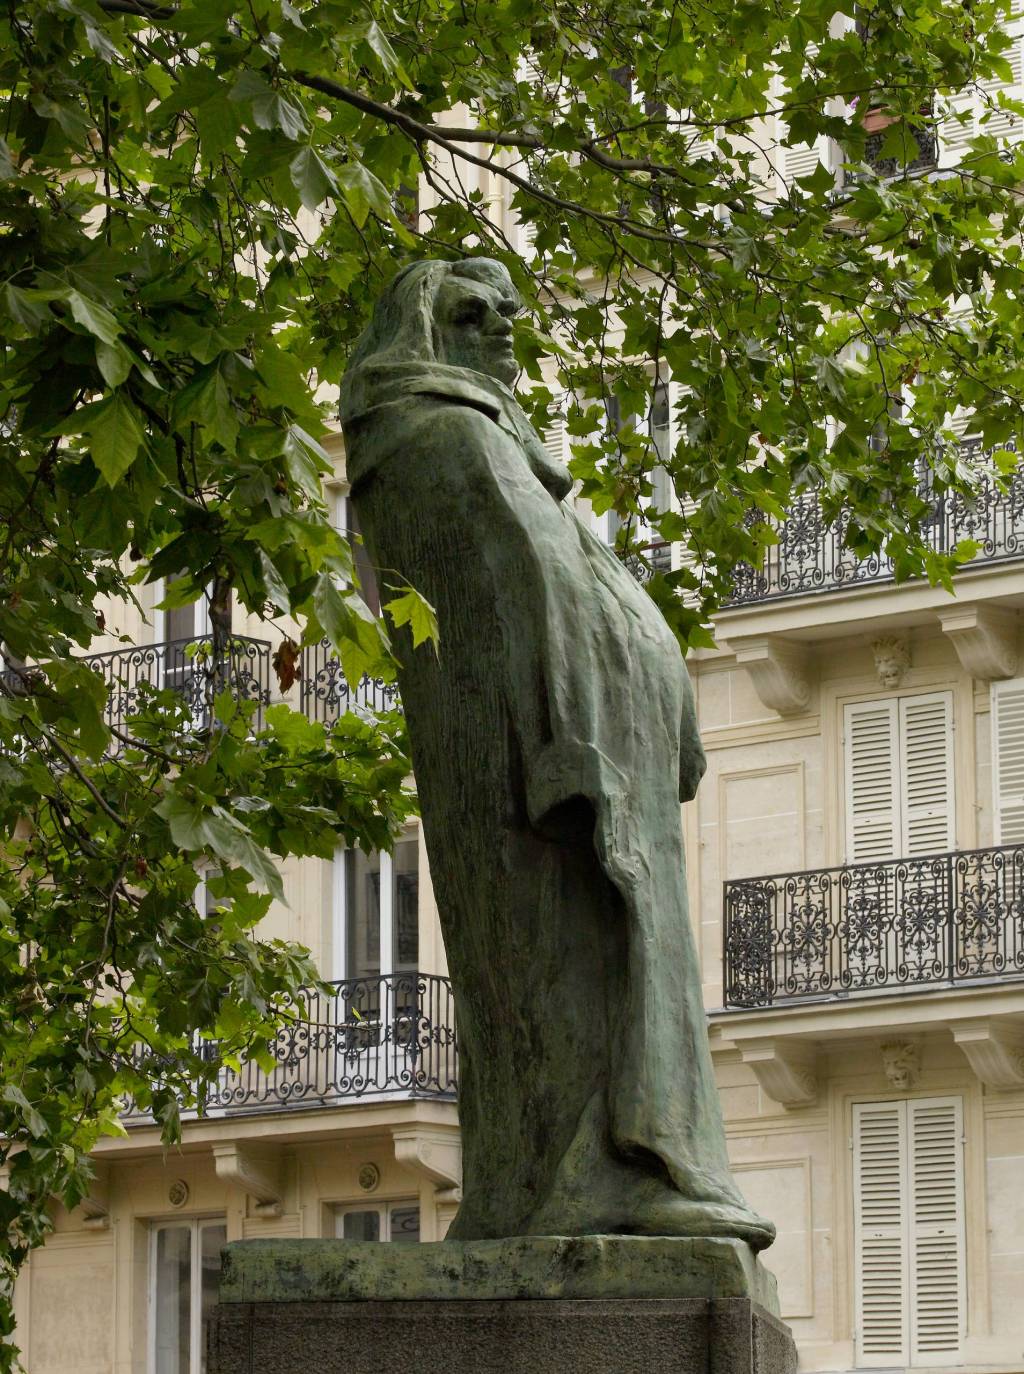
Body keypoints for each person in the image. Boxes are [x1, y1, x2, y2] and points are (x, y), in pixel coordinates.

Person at [339, 258, 774, 1250]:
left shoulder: (492, 445)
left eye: (505, 315)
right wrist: (570, 738)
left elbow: (578, 592)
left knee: (611, 963)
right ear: (422, 333)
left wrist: (660, 701)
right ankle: (601, 1177)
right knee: (568, 970)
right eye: (471, 314)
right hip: (541, 779)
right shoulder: (436, 439)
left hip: (590, 764)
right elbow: (519, 595)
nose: (499, 330)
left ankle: (620, 1172)